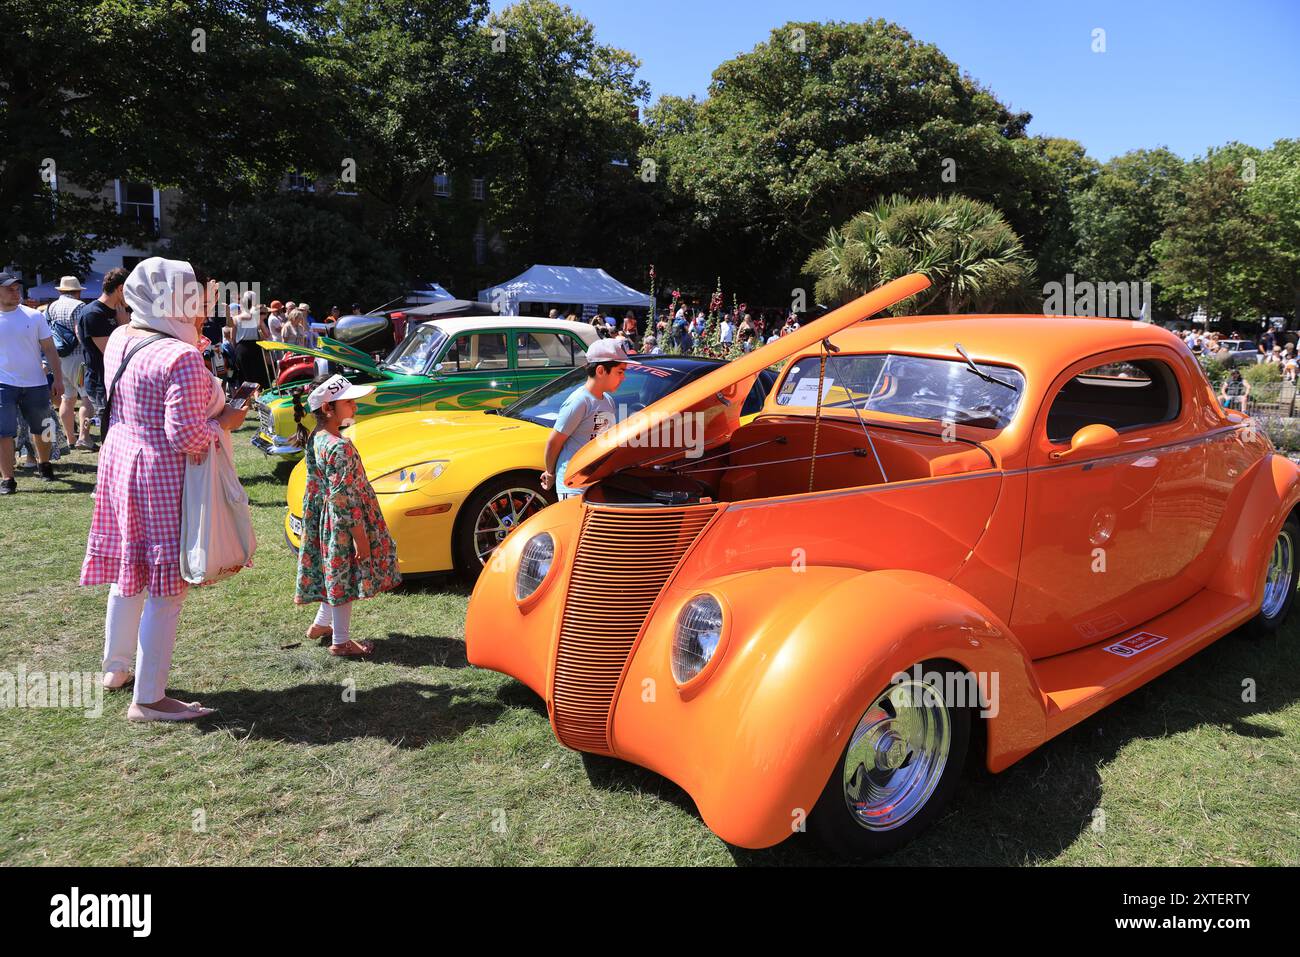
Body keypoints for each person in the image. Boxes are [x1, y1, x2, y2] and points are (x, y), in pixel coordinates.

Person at [82, 257, 248, 718]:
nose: (199, 307)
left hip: (120, 460)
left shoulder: (121, 336)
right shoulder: (181, 355)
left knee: (127, 573)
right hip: (158, 473)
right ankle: (149, 698)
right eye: (191, 296)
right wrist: (227, 420)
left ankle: (116, 669)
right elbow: (190, 437)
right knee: (165, 587)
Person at [292, 373, 401, 657]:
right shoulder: (340, 446)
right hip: (342, 522)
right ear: (329, 408)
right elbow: (344, 498)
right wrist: (360, 539)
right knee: (343, 578)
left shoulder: (318, 437)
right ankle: (340, 641)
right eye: (350, 402)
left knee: (333, 571)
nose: (355, 407)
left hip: (325, 519)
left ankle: (320, 624)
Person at [0, 272, 65, 493]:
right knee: (4, 432)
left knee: (43, 427)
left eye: (17, 288)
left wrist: (58, 379)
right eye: (9, 288)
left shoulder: (34, 316)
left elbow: (49, 348)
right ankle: (8, 479)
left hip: (36, 383)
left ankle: (44, 464)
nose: (15, 291)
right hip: (3, 384)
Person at [540, 340, 628, 500]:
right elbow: (554, 442)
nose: (624, 378)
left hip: (595, 483)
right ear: (601, 370)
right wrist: (550, 473)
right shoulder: (579, 401)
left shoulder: (608, 400)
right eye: (620, 372)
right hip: (573, 487)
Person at [75, 267, 130, 447]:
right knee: (110, 431)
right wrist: (124, 327)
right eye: (129, 290)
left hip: (115, 381)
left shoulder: (118, 311)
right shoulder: (94, 314)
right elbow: (112, 353)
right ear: (120, 289)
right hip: (102, 383)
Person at [47, 276, 92, 452]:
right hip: (78, 357)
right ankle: (84, 437)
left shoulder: (51, 307)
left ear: (61, 291)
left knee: (67, 398)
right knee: (87, 399)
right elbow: (78, 332)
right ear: (78, 291)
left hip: (59, 358)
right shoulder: (79, 306)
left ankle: (70, 438)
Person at [229, 301, 271, 387]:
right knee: (259, 375)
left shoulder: (235, 318)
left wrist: (235, 351)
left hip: (241, 348)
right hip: (255, 347)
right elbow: (267, 334)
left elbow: (232, 338)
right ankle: (259, 396)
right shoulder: (256, 318)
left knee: (245, 377)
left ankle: (249, 398)